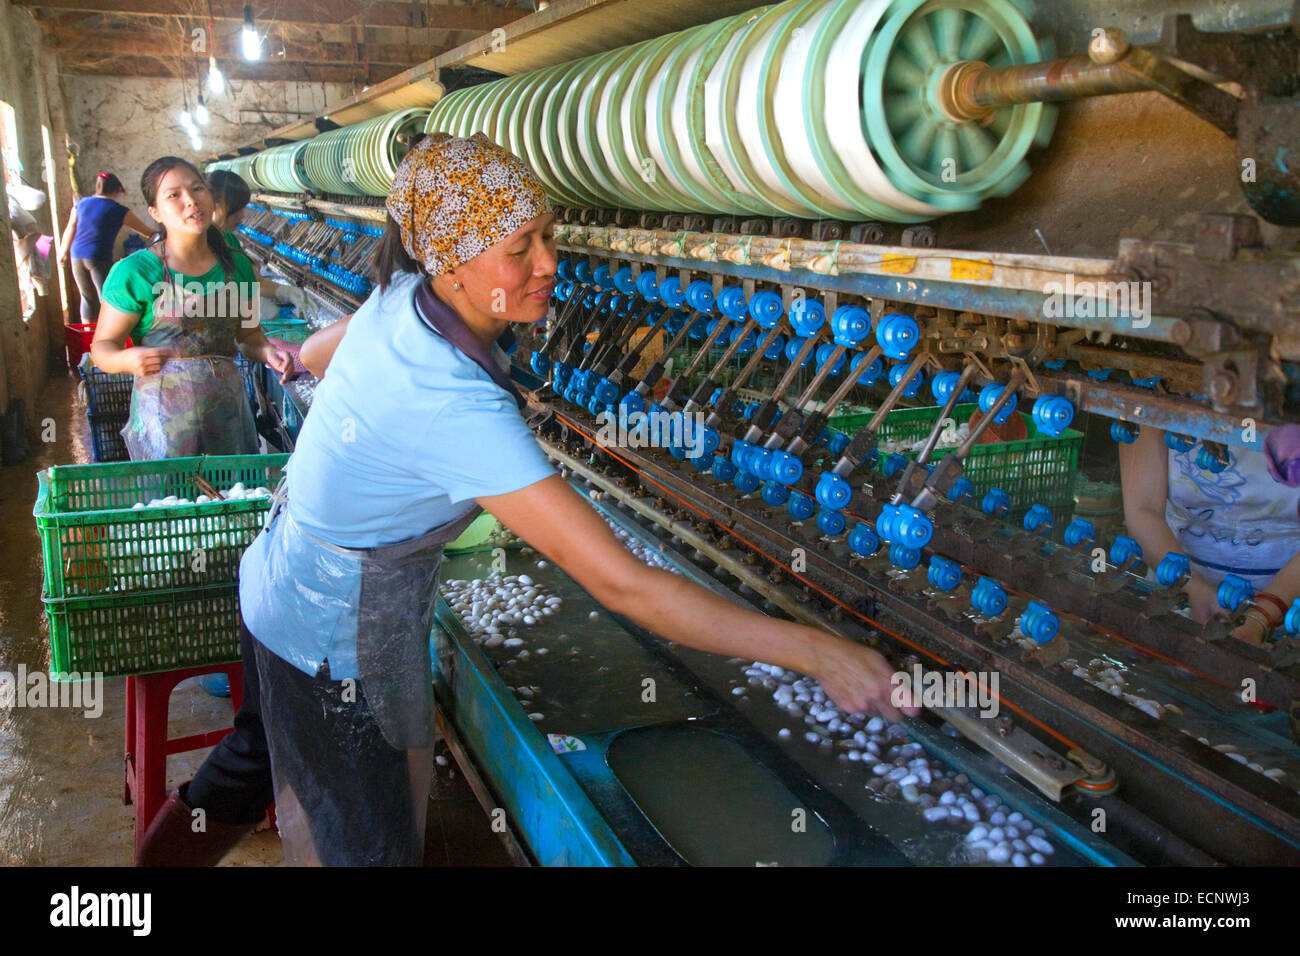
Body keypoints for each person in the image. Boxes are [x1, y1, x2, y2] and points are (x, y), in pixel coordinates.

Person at [139, 133, 912, 867]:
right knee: (365, 841)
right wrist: (814, 650)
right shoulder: (457, 407)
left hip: (282, 578)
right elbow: (625, 585)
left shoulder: (403, 292)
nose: (548, 265)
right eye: (519, 250)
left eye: (548, 236)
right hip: (334, 633)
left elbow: (308, 355)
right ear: (451, 265)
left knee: (258, 757)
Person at [89, 157, 293, 459]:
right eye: (174, 195)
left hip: (229, 418)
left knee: (236, 498)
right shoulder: (136, 273)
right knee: (174, 502)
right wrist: (127, 359)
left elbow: (249, 336)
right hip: (163, 424)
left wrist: (267, 353)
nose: (191, 201)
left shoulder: (236, 265)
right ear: (154, 212)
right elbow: (101, 349)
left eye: (198, 189)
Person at [1119, 424, 1300, 645]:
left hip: (1290, 604)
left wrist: (1262, 617)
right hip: (1177, 587)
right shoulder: (1156, 393)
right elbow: (1142, 509)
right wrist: (1193, 588)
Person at [58, 172, 155, 322]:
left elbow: (70, 227)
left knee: (87, 298)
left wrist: (62, 251)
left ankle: (88, 337)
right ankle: (110, 336)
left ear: (98, 186)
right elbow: (148, 233)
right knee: (109, 298)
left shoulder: (81, 204)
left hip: (76, 255)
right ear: (117, 190)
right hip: (98, 256)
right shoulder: (118, 210)